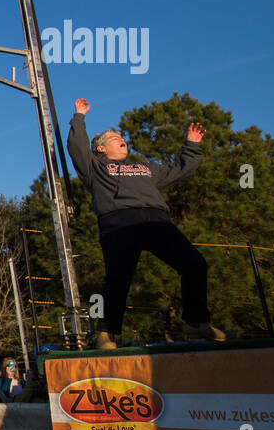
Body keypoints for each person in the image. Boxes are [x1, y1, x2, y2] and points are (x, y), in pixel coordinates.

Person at [69, 98, 225, 348]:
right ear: (100, 149)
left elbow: (179, 169)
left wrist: (192, 146)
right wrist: (79, 117)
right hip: (119, 223)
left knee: (195, 264)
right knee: (118, 278)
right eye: (114, 138)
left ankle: (196, 323)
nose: (122, 139)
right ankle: (106, 332)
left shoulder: (144, 168)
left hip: (156, 221)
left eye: (122, 137)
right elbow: (77, 147)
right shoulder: (95, 167)